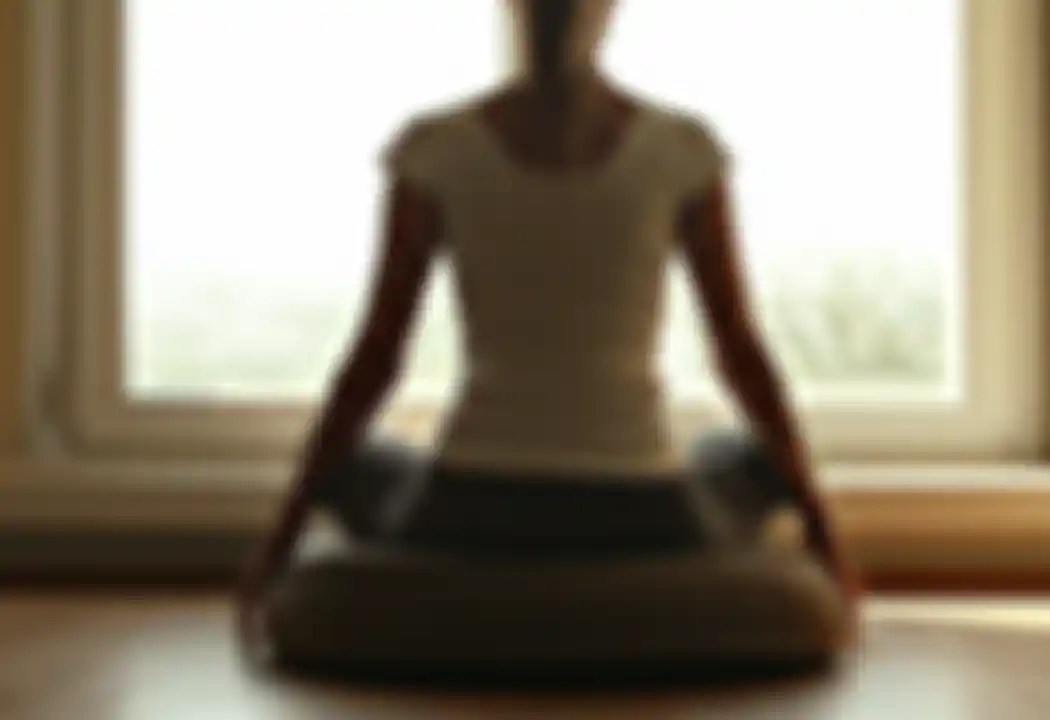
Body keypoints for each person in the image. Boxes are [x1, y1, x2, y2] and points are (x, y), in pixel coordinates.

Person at [237, 0, 858, 653]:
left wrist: (280, 540)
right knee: (742, 459)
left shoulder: (435, 147)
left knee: (359, 463)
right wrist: (823, 534)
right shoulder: (682, 149)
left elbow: (378, 354)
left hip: (469, 507)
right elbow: (738, 350)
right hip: (640, 509)